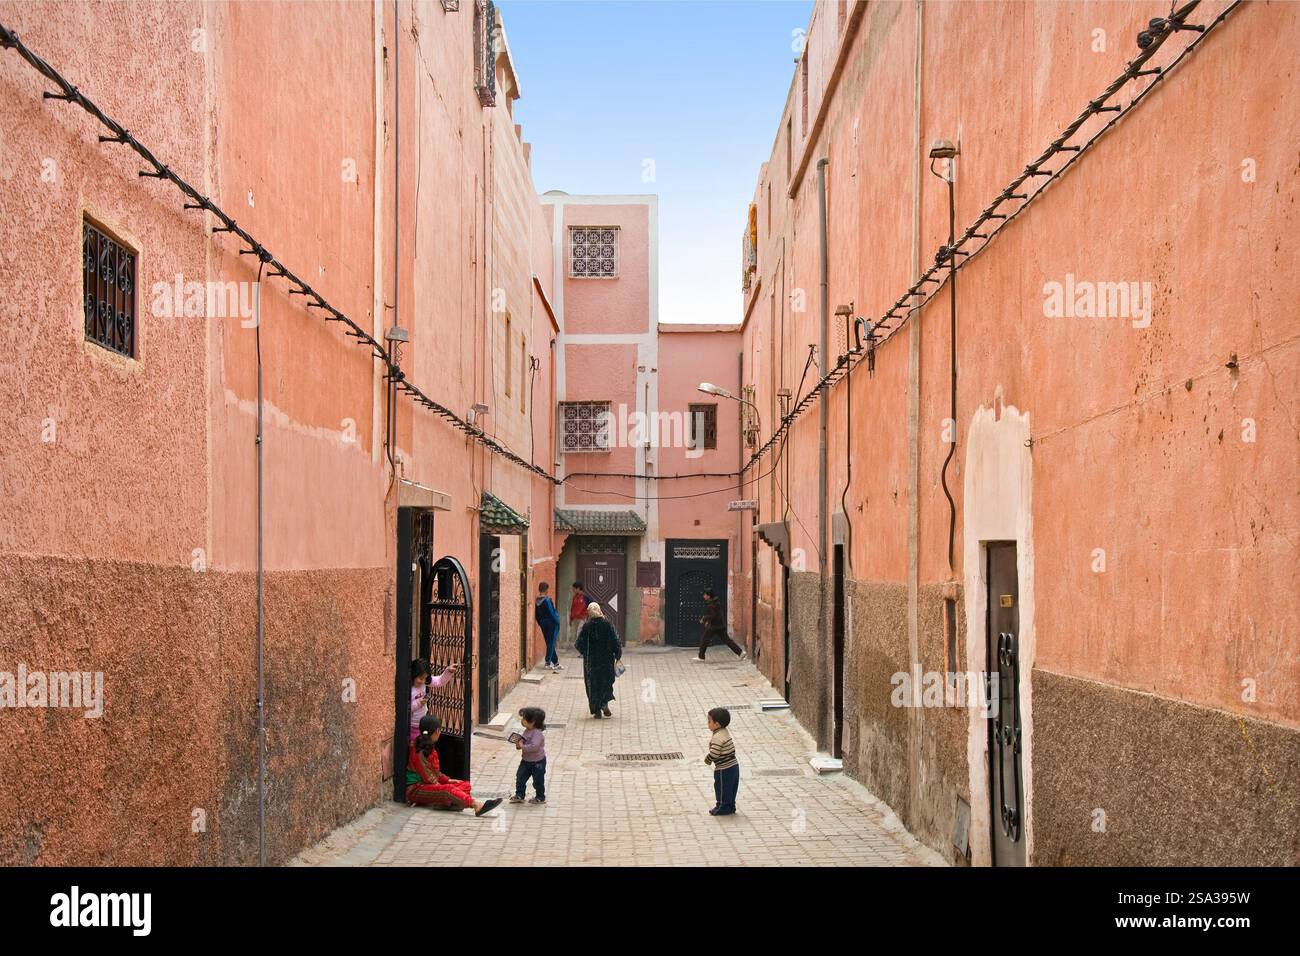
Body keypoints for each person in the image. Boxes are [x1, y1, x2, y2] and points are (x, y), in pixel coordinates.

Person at [407, 715, 501, 817]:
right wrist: (443, 788)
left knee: (465, 785)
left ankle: (444, 802)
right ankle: (476, 805)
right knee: (448, 790)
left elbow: (436, 773)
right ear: (437, 731)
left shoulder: (429, 747)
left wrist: (448, 780)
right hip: (416, 789)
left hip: (428, 786)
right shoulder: (419, 751)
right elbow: (428, 778)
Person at [574, 602, 622, 719]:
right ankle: (604, 704)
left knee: (593, 685)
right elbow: (616, 641)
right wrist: (618, 655)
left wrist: (585, 652)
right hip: (606, 661)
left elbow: (579, 644)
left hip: (591, 663)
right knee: (606, 683)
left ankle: (596, 710)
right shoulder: (607, 625)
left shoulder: (587, 626)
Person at [410, 657, 460, 743]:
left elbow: (439, 681)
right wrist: (418, 703)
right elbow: (405, 708)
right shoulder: (409, 689)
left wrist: (448, 671)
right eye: (420, 678)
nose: (423, 681)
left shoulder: (424, 683)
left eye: (425, 678)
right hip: (411, 726)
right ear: (413, 675)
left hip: (423, 724)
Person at [703, 707, 740, 816]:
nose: (708, 723)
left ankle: (722, 807)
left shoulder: (717, 737)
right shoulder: (724, 732)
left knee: (722, 788)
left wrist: (708, 759)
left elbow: (715, 753)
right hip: (734, 765)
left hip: (724, 768)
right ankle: (730, 805)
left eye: (709, 721)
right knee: (731, 788)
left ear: (717, 724)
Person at [693, 588, 746, 662]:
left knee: (704, 639)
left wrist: (704, 618)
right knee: (727, 640)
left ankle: (701, 657)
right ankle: (740, 653)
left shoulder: (711, 604)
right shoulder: (715, 602)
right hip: (720, 625)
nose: (703, 596)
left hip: (714, 626)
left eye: (705, 594)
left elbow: (713, 615)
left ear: (709, 596)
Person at [509, 706, 547, 805]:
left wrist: (522, 746)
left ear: (532, 721)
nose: (522, 721)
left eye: (524, 719)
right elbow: (523, 741)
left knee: (538, 781)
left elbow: (534, 747)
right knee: (520, 777)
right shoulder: (527, 730)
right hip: (526, 761)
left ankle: (540, 796)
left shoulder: (537, 733)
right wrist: (519, 744)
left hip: (538, 762)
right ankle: (520, 795)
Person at [534, 582, 563, 671]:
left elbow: (537, 615)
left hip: (543, 623)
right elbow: (552, 613)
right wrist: (558, 621)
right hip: (551, 624)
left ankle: (556, 663)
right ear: (546, 589)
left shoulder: (537, 601)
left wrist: (540, 623)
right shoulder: (547, 600)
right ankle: (547, 662)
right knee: (551, 643)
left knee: (549, 643)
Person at [567, 581, 591, 649]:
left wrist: (587, 615)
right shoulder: (575, 597)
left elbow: (591, 606)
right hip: (575, 619)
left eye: (574, 589)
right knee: (577, 635)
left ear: (578, 588)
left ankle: (583, 651)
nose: (573, 590)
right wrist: (570, 619)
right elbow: (572, 608)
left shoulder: (585, 597)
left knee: (580, 634)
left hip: (582, 619)